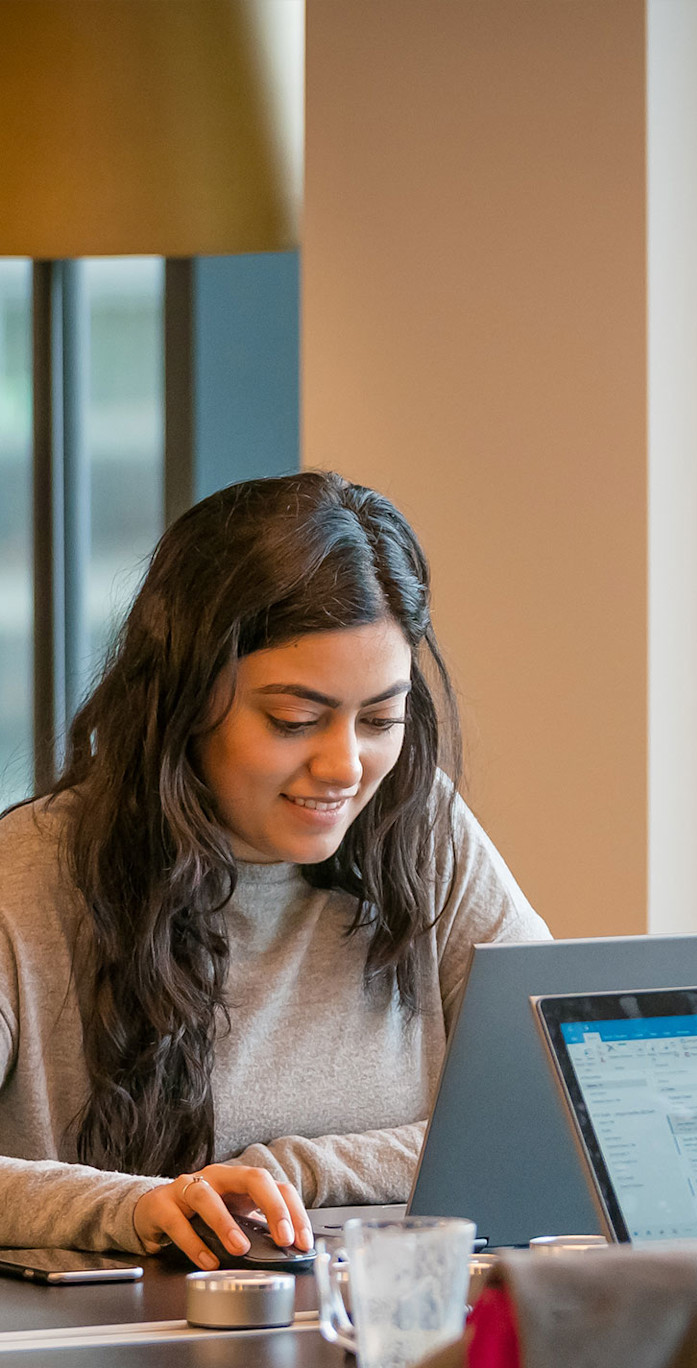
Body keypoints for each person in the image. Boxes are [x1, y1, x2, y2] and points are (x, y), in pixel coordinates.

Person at [0, 470, 548, 1273]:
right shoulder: (30, 874)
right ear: (183, 702)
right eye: (295, 720)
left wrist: (288, 1173)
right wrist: (129, 1206)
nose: (345, 766)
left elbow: (562, 1108)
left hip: (369, 1340)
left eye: (380, 719)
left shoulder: (419, 830)